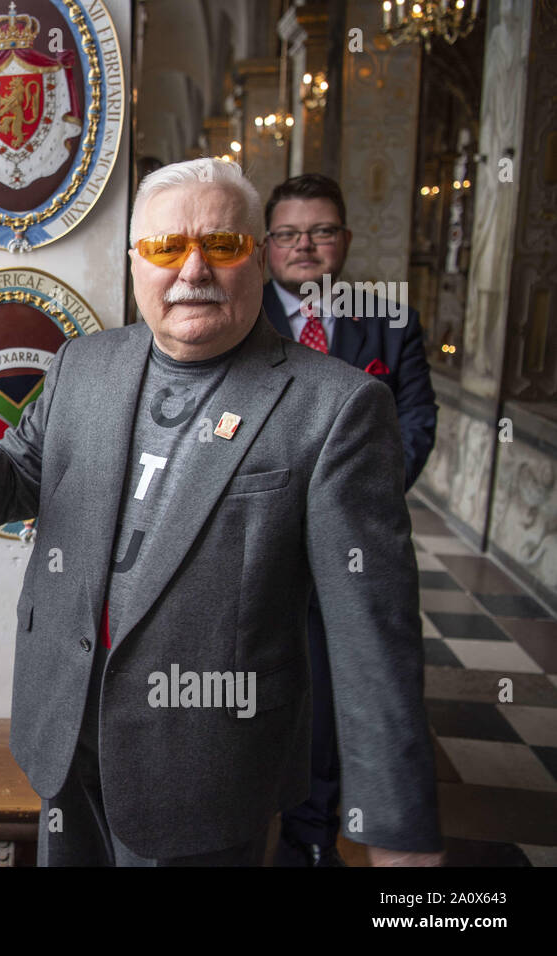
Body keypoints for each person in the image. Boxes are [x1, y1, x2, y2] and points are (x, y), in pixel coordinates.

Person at [0, 157, 444, 866]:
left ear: (258, 259)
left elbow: (372, 637)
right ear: (137, 263)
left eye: (221, 246)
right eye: (167, 249)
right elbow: (14, 489)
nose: (192, 270)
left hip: (204, 773)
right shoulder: (84, 366)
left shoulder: (337, 408)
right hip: (64, 741)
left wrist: (396, 830)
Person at [263, 173, 437, 866]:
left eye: (321, 231)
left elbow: (416, 423)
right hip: (267, 548)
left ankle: (317, 841)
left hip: (360, 551)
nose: (304, 246)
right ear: (265, 245)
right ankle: (273, 831)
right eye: (288, 233)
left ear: (345, 240)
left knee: (349, 699)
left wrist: (350, 503)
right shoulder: (241, 317)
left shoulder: (391, 322)